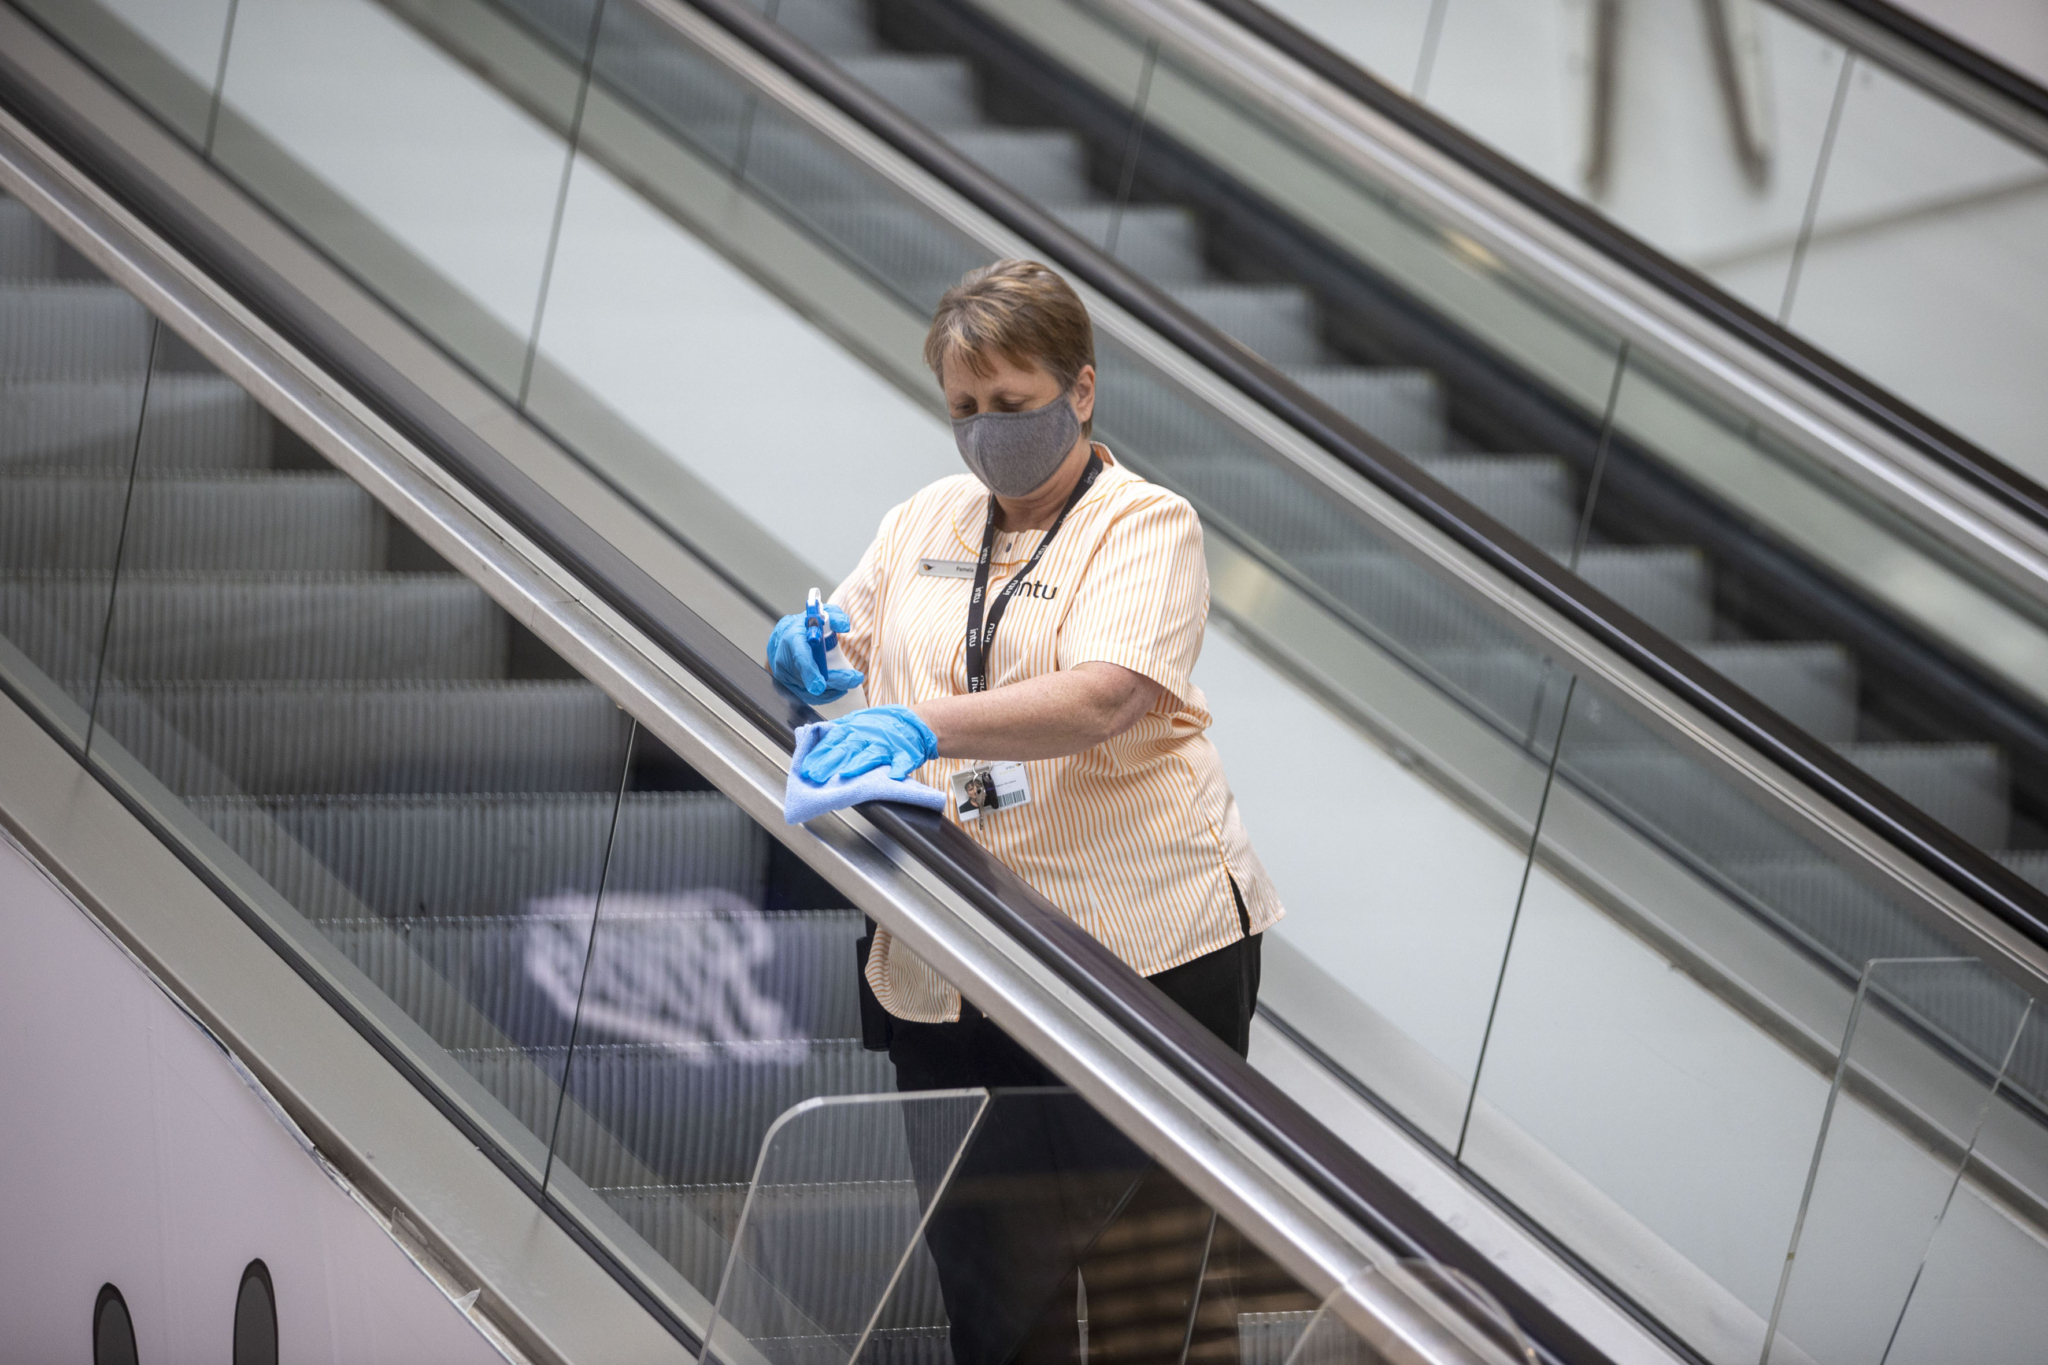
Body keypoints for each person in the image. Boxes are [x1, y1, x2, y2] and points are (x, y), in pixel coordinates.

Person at [765, 259, 1284, 1361]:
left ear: (1079, 391)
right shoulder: (927, 518)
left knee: (1151, 1283)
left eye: (1009, 405)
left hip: (1136, 953)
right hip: (955, 953)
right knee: (992, 1285)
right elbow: (848, 629)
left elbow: (1105, 694)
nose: (984, 432)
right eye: (963, 408)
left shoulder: (1147, 525)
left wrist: (924, 726)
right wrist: (809, 654)